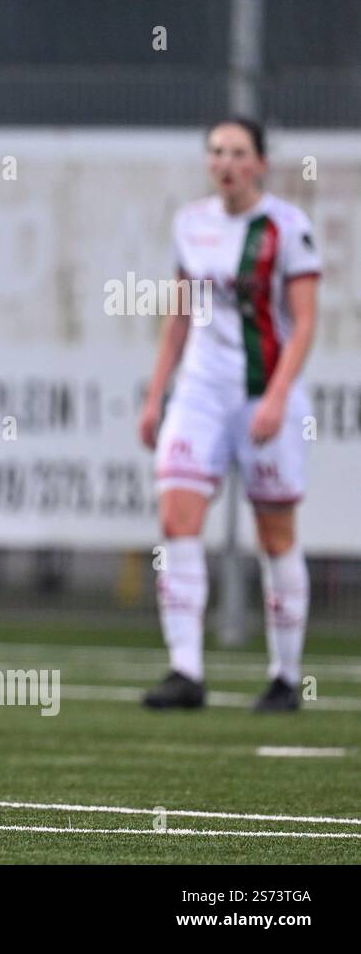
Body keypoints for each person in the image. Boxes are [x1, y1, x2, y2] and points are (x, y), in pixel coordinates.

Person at [139, 117, 320, 713]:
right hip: (200, 392)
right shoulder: (191, 223)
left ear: (260, 163)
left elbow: (304, 323)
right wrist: (155, 395)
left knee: (275, 533)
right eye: (216, 151)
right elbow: (180, 316)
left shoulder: (288, 229)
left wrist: (275, 398)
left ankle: (285, 677)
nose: (225, 163)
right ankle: (186, 670)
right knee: (177, 516)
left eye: (238, 153)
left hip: (266, 391)